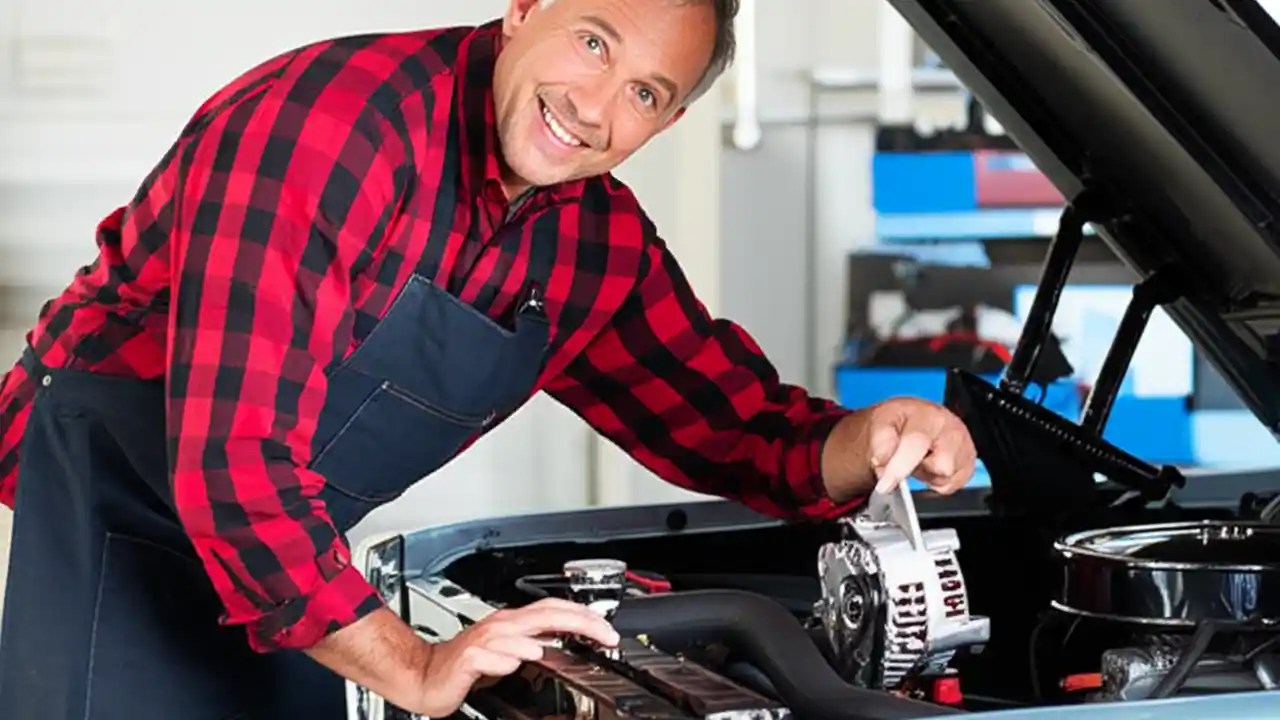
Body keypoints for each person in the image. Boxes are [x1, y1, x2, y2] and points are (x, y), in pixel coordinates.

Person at [0, 0, 976, 718]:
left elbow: (733, 428)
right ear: (524, 8)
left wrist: (871, 438)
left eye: (643, 92)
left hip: (290, 557)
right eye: (592, 41)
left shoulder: (592, 244)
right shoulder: (327, 134)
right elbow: (230, 460)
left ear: (666, 123)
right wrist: (415, 663)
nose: (594, 107)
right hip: (120, 510)